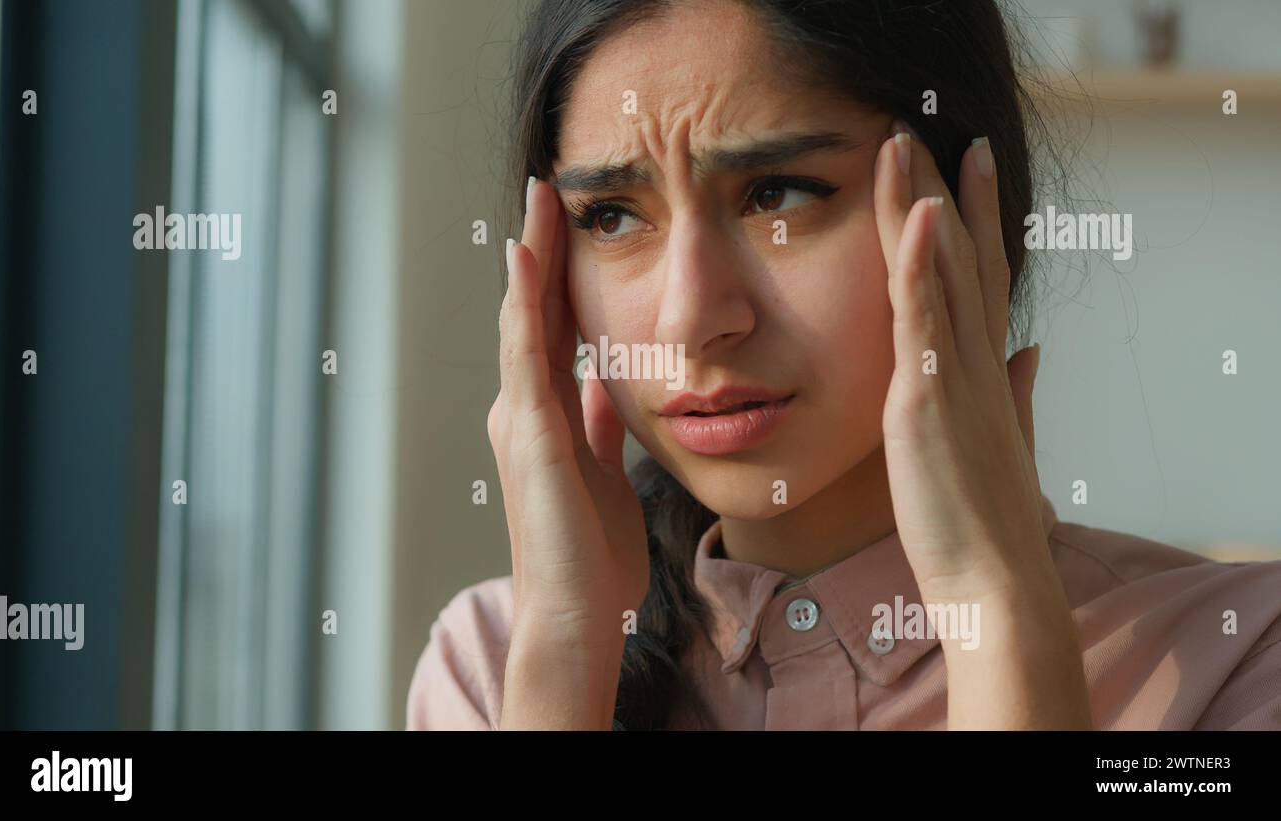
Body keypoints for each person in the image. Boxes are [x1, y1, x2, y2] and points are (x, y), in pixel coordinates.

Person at [407, 0, 1281, 730]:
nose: (687, 319)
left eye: (776, 194)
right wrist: (568, 648)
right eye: (610, 217)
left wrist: (998, 612)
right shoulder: (492, 668)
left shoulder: (1236, 656)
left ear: (967, 216)